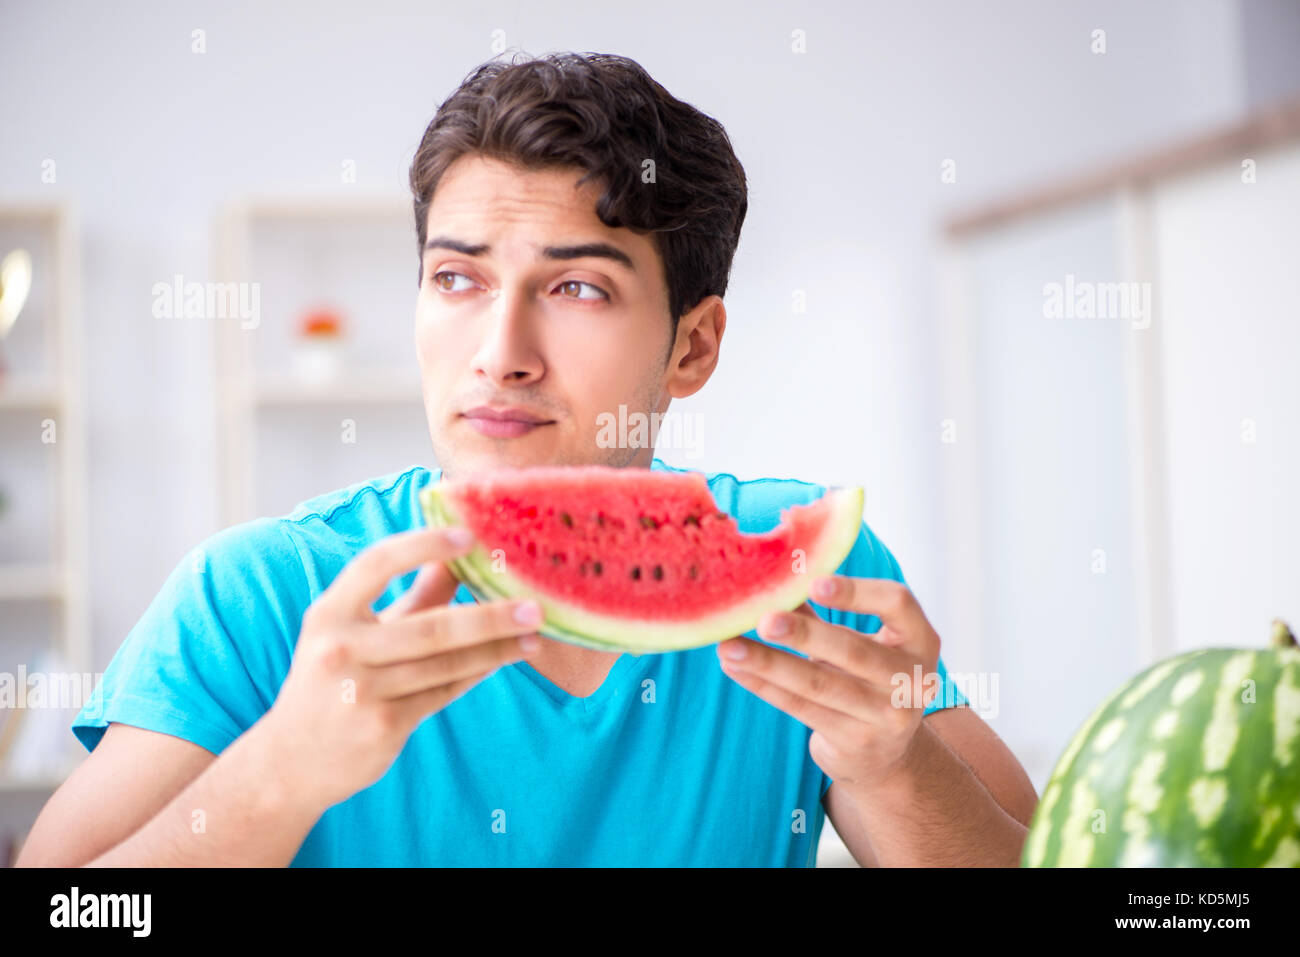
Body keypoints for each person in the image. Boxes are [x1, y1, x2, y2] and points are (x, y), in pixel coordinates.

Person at [19, 52, 1036, 867]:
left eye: (577, 290)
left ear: (693, 346)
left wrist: (898, 766)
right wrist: (283, 770)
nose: (499, 355)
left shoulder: (808, 577)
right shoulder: (257, 595)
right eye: (456, 278)